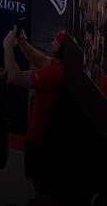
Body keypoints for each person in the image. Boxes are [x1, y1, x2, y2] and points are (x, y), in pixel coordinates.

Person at [4, 26, 66, 195]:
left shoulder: (55, 74)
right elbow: (42, 60)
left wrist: (8, 47)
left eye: (56, 42)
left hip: (40, 138)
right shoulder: (67, 67)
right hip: (54, 138)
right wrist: (23, 43)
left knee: (41, 184)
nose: (52, 43)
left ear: (62, 50)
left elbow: (15, 76)